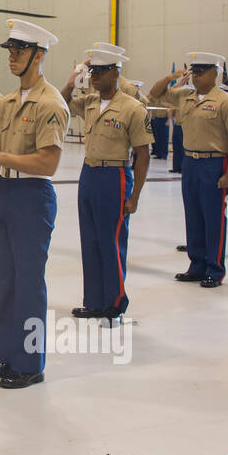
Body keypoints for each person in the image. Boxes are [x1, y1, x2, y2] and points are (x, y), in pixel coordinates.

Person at [0, 19, 68, 388]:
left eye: (20, 51)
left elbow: (48, 163)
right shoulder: (8, 102)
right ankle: (5, 357)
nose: (12, 58)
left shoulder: (50, 104)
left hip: (32, 197)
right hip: (7, 196)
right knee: (5, 282)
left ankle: (29, 364)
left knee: (28, 284)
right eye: (10, 51)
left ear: (38, 56)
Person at [60, 47, 151, 321]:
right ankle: (93, 301)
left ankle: (114, 302)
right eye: (91, 72)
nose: (94, 77)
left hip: (115, 177)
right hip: (89, 175)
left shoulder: (133, 108)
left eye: (99, 72)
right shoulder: (88, 102)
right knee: (90, 241)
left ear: (115, 72)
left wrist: (134, 196)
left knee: (111, 242)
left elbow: (143, 154)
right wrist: (72, 78)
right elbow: (62, 102)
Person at [149, 53, 228, 287]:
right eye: (195, 70)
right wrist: (173, 76)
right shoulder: (185, 97)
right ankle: (197, 265)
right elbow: (156, 93)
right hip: (190, 163)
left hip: (214, 163)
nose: (197, 75)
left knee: (214, 219)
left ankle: (214, 269)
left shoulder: (226, 102)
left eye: (202, 70)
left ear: (215, 73)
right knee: (193, 216)